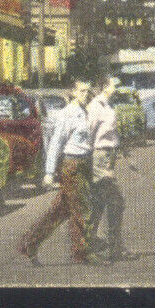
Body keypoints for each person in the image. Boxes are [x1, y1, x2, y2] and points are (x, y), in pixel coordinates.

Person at [19, 78, 103, 265]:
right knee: (84, 208)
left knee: (61, 210)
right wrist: (49, 172)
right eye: (82, 91)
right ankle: (83, 252)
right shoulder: (67, 114)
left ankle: (30, 243)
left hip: (85, 164)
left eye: (88, 91)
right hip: (72, 165)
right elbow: (56, 143)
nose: (86, 95)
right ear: (73, 92)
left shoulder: (86, 112)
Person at [84, 72, 129, 261]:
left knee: (100, 203)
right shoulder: (95, 106)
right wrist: (88, 159)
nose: (116, 88)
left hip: (108, 157)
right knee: (116, 201)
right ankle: (113, 248)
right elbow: (88, 133)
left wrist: (123, 154)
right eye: (113, 85)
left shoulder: (108, 106)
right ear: (104, 87)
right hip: (99, 157)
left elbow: (112, 133)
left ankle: (90, 244)